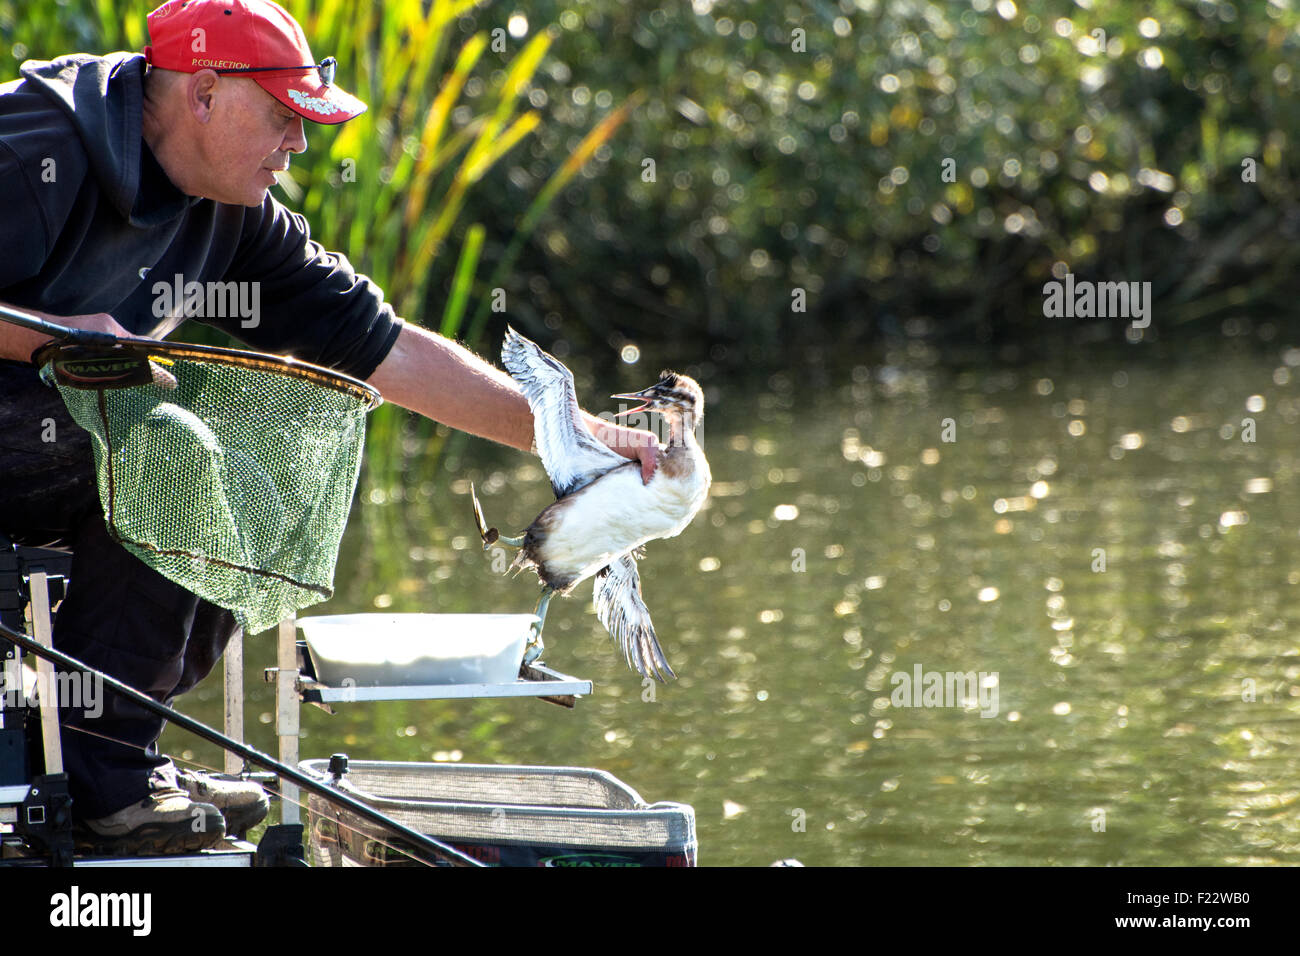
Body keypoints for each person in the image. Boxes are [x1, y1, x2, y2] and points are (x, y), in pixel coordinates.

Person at [0, 0, 657, 854]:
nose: (298, 144)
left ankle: (117, 763)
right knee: (165, 446)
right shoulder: (34, 151)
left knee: (243, 460)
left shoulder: (232, 207)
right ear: (203, 93)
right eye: (282, 117)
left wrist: (579, 440)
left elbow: (385, 351)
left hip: (52, 439)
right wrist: (54, 338)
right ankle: (110, 790)